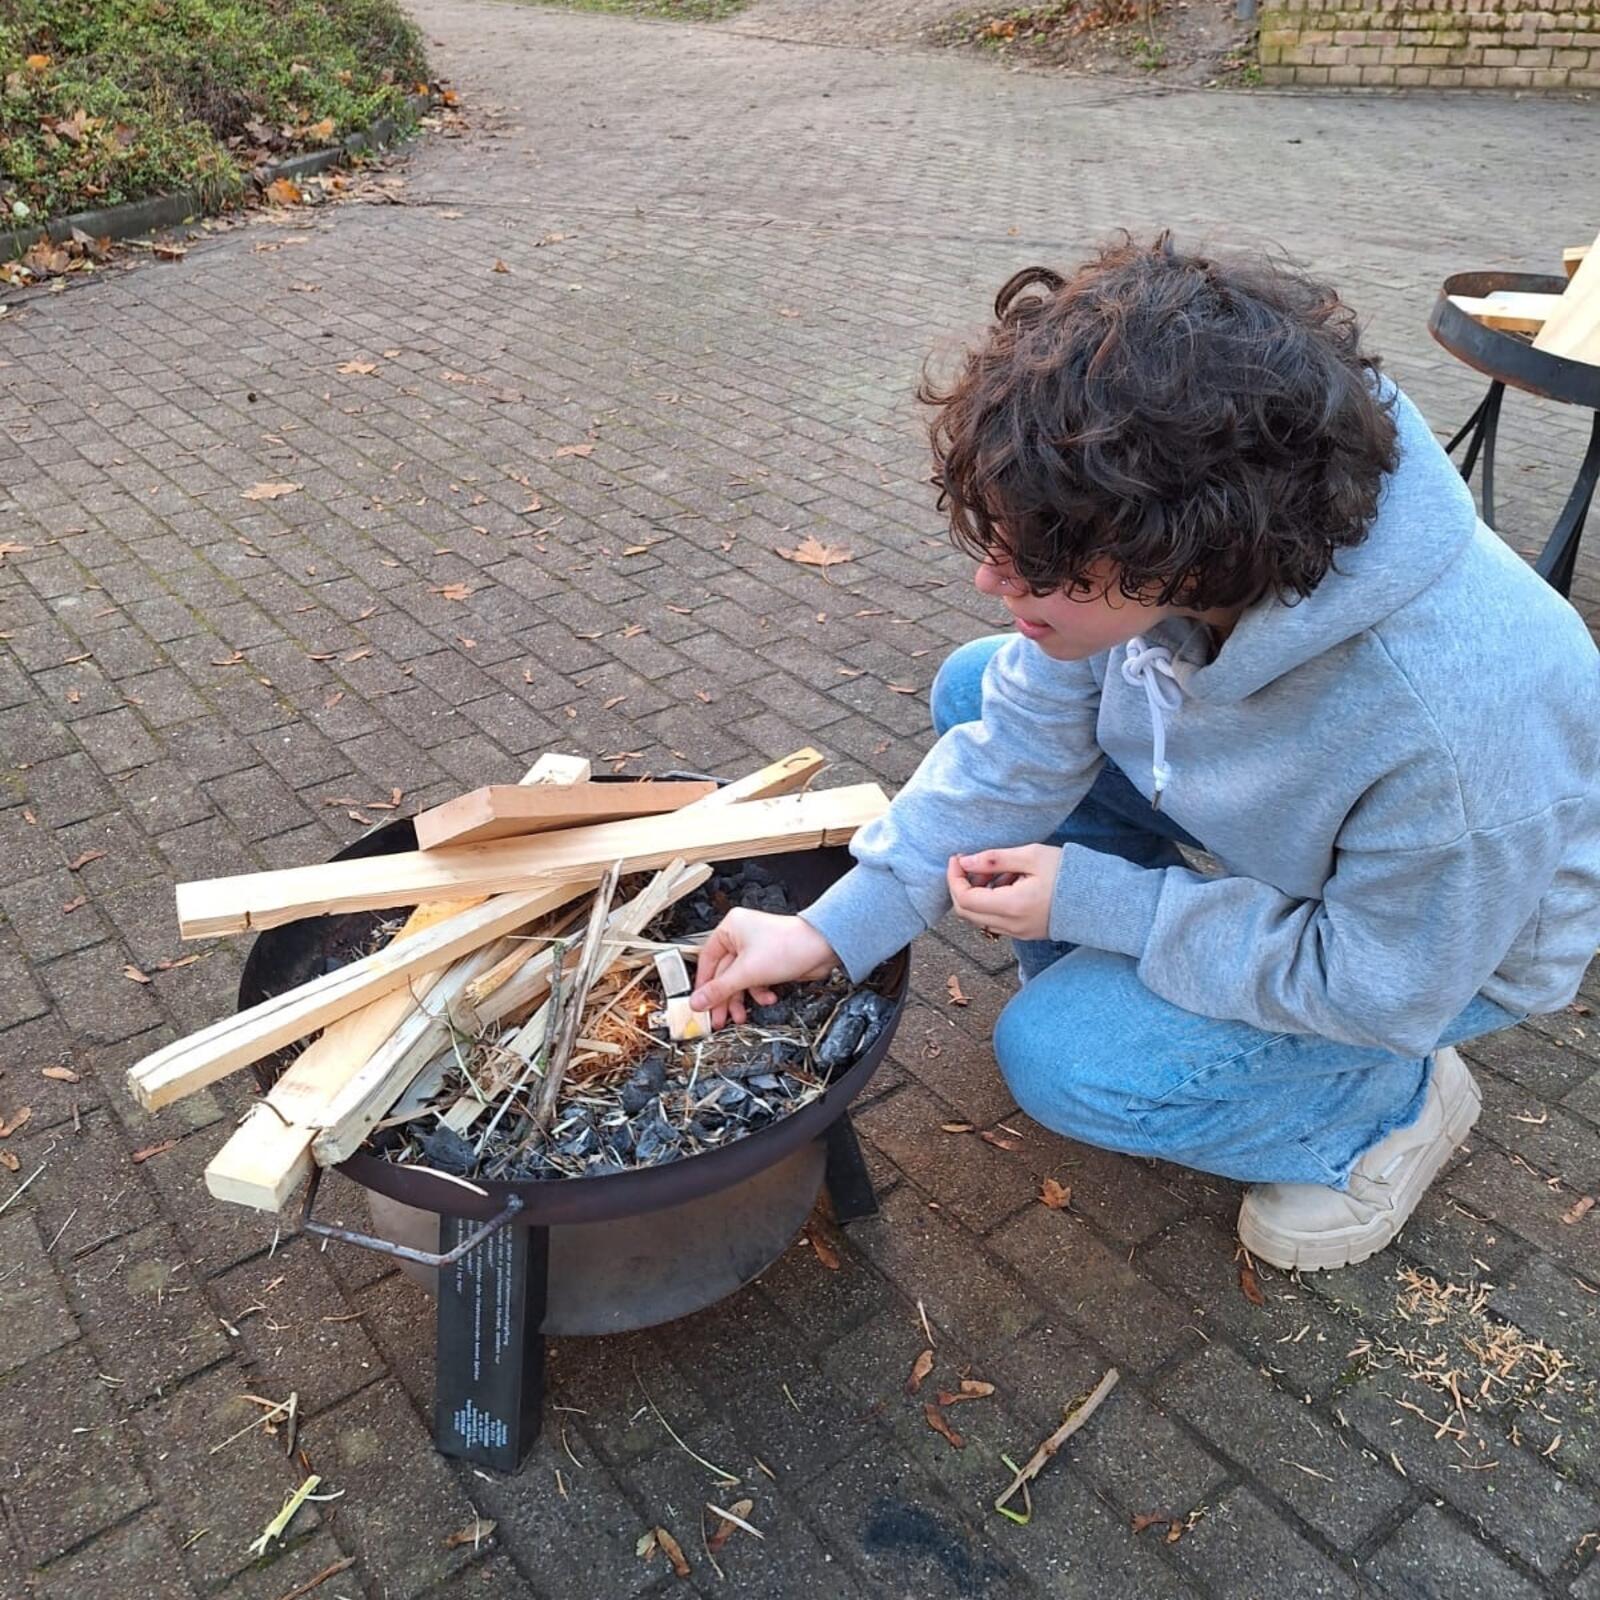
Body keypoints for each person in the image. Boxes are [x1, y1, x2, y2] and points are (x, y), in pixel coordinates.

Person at [689, 234, 1600, 1272]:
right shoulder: (1144, 532)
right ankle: (1156, 1001)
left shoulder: (1455, 719)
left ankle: (1380, 1112)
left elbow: (1380, 985)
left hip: (1443, 948)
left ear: (1198, 548)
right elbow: (1014, 749)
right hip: (1295, 827)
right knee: (975, 677)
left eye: (1034, 565)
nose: (993, 581)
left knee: (1065, 1058)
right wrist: (831, 928)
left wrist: (1102, 902)